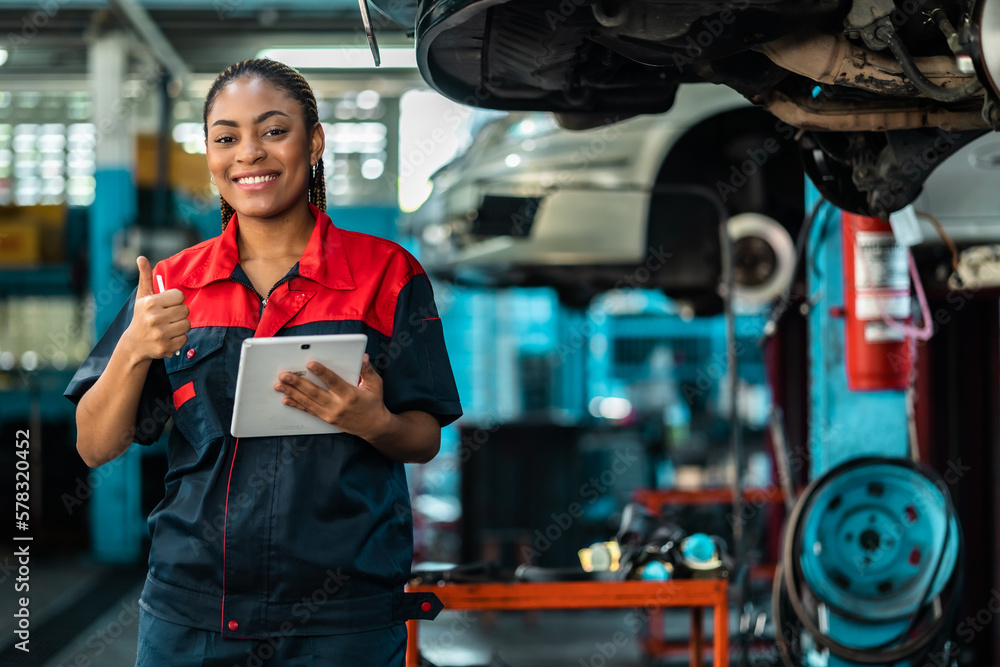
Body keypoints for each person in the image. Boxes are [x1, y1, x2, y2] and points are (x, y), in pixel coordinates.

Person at [64, 58, 462, 666]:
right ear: (210, 156)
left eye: (274, 130)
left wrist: (372, 422)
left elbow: (424, 437)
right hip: (193, 614)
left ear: (315, 141)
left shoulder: (388, 274)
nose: (249, 152)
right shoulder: (172, 285)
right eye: (226, 138)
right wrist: (133, 349)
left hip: (343, 618)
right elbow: (95, 444)